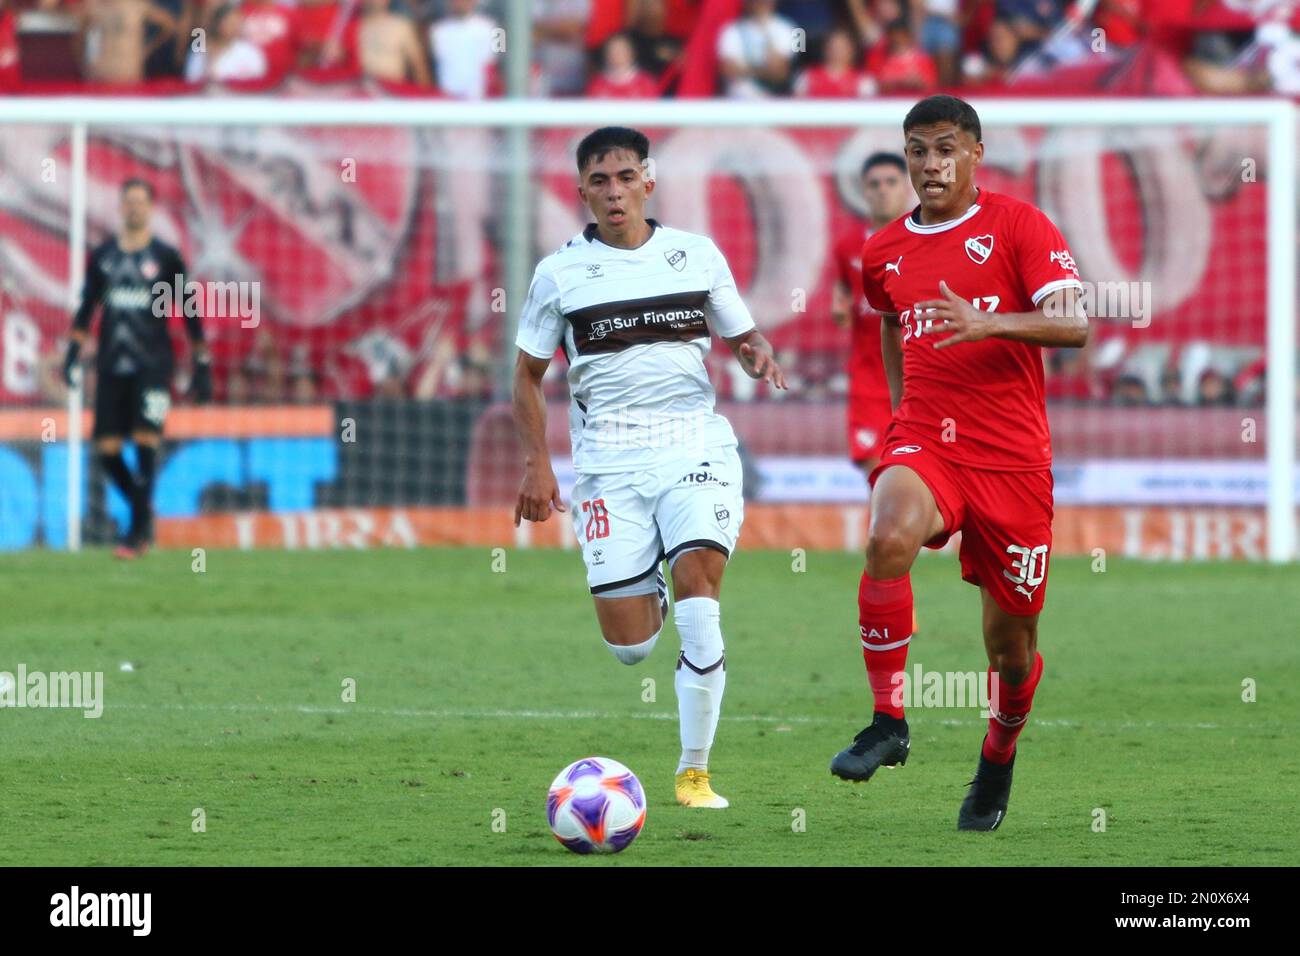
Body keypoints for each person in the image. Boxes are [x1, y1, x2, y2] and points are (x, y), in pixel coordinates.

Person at [831, 95, 1088, 832]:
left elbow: (1073, 322)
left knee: (1011, 651)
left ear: (976, 152)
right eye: (917, 150)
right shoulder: (884, 249)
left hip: (1012, 460)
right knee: (886, 537)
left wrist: (991, 322)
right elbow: (889, 320)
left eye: (945, 148)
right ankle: (888, 722)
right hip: (928, 441)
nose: (930, 164)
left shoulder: (1019, 224)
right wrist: (899, 415)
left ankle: (997, 757)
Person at [512, 127, 786, 809]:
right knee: (630, 647)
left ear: (649, 181)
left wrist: (756, 353)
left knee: (701, 587)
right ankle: (648, 585)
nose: (614, 192)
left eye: (626, 177)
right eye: (600, 181)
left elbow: (743, 334)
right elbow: (526, 375)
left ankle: (694, 773)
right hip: (607, 464)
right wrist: (538, 465)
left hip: (694, 445)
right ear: (581, 190)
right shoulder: (559, 273)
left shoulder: (695, 256)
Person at [64, 179, 212, 558]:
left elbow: (189, 309)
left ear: (151, 208)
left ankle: (135, 535)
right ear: (120, 206)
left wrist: (201, 360)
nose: (134, 208)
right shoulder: (104, 257)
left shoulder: (165, 258)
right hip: (112, 366)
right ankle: (143, 511)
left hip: (153, 367)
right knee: (107, 449)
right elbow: (87, 308)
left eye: (141, 202)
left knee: (147, 440)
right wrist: (72, 352)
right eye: (128, 201)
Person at [831, 152, 912, 474]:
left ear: (907, 186)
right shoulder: (848, 247)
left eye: (891, 182)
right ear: (864, 191)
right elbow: (843, 297)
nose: (882, 190)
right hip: (869, 381)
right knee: (880, 476)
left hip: (922, 378)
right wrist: (840, 311)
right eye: (874, 184)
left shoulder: (928, 239)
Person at [429, 0, 499, 98]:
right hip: (447, 101)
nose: (460, 3)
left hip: (482, 100)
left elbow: (499, 65)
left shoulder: (496, 29)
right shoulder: (436, 31)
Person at [357, 0, 432, 86]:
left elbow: (420, 67)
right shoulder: (354, 26)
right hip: (360, 91)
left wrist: (424, 96)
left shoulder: (401, 26)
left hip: (393, 91)